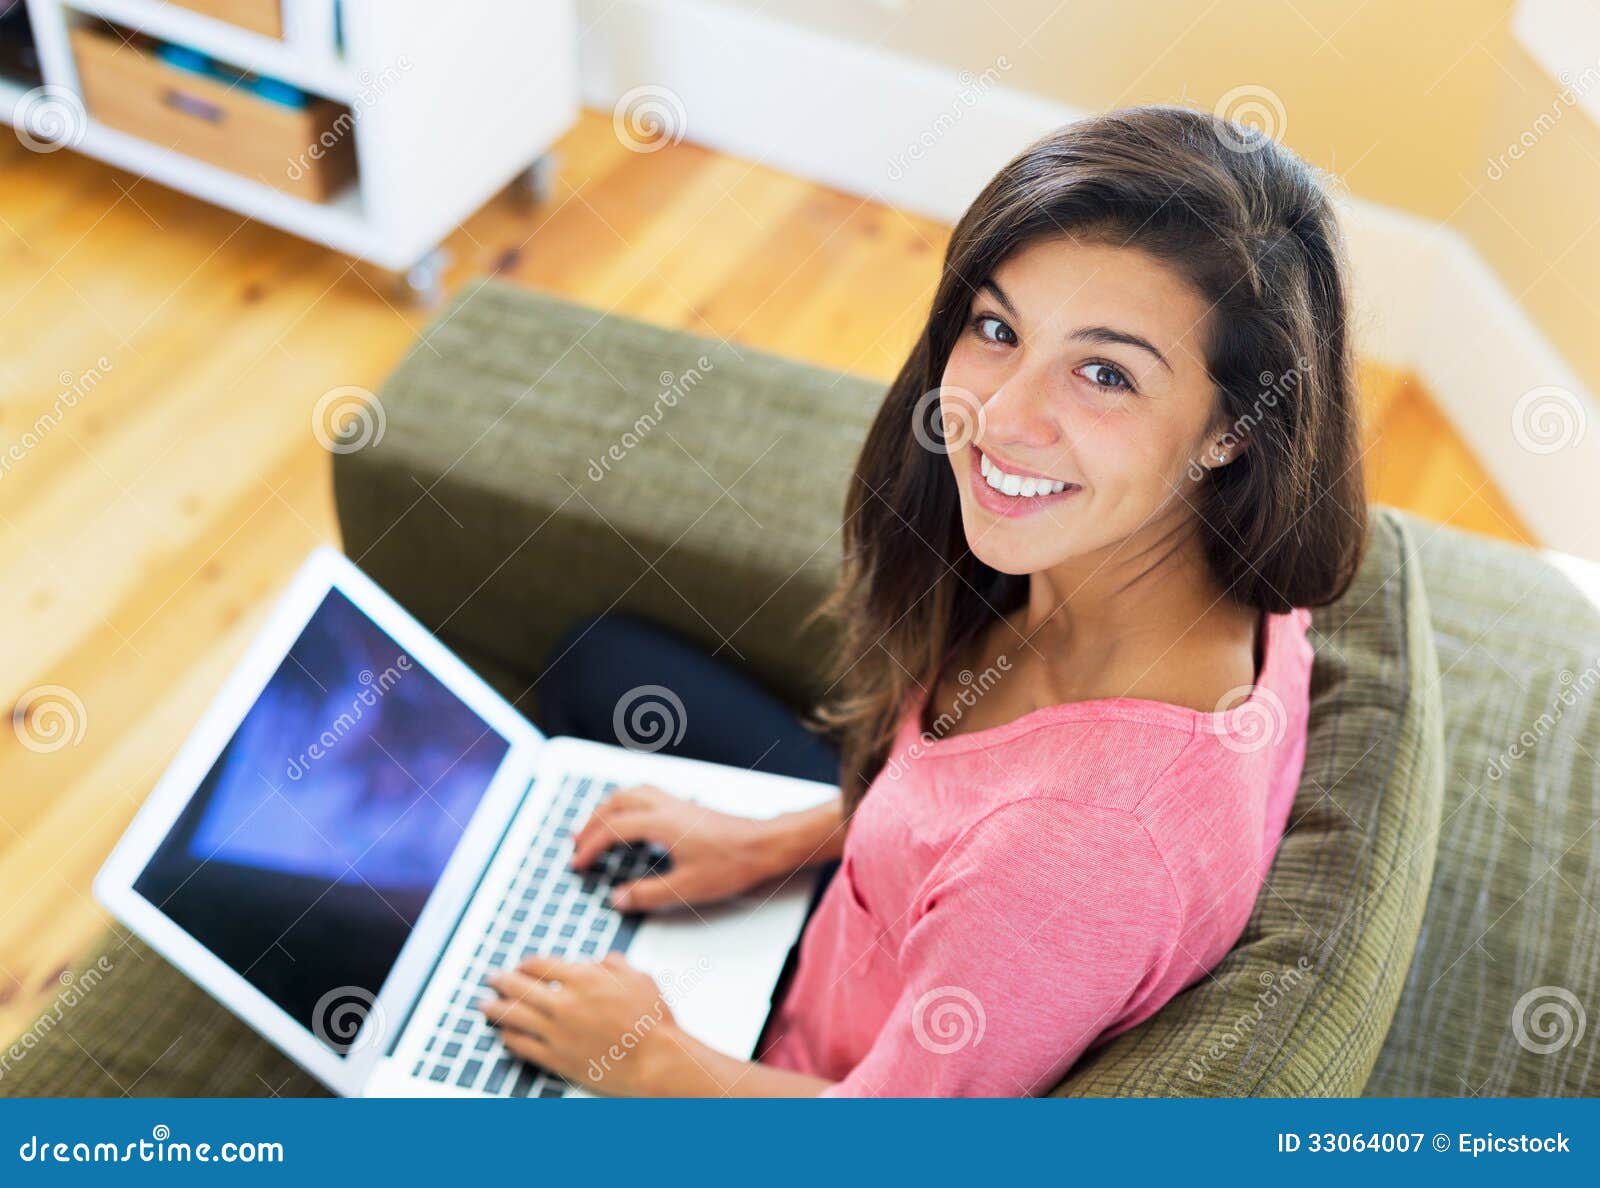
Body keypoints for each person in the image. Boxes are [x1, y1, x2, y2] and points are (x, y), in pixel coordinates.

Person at [476, 103, 1367, 1097]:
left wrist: (649, 1056)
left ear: (1231, 429)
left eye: (1105, 373)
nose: (1000, 414)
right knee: (595, 662)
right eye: (998, 328)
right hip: (856, 919)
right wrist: (776, 844)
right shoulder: (1228, 582)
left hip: (793, 1075)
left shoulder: (1075, 859)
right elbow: (951, 823)